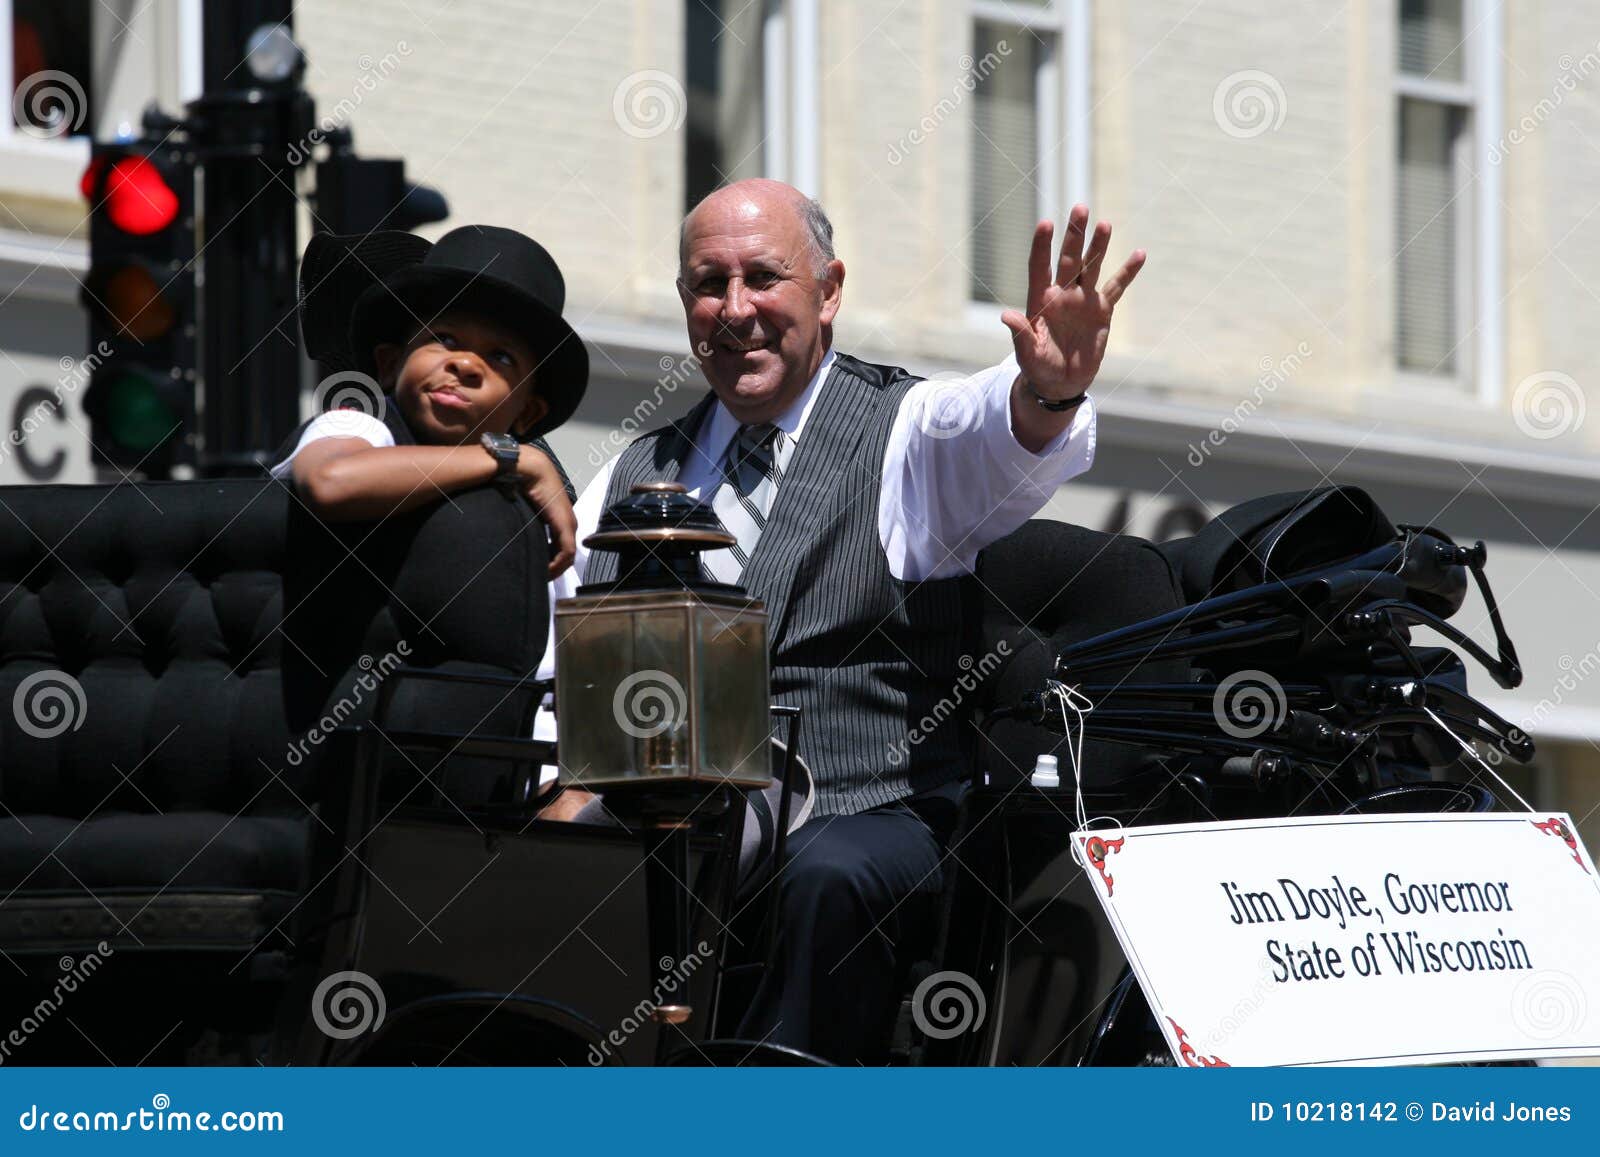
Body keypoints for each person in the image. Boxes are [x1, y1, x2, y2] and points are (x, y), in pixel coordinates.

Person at [544, 178, 1144, 1062]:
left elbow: (991, 434)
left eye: (764, 277)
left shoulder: (903, 430)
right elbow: (560, 680)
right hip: (665, 821)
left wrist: (1044, 393)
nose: (736, 308)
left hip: (874, 807)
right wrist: (554, 809)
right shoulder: (632, 471)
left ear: (828, 292)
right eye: (709, 284)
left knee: (822, 874)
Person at [271, 224, 592, 821]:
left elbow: (560, 685)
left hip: (510, 794)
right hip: (350, 779)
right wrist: (509, 458)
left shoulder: (539, 524)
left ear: (530, 409)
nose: (465, 365)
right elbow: (331, 482)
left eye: (499, 358)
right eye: (443, 339)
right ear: (390, 364)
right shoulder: (361, 428)